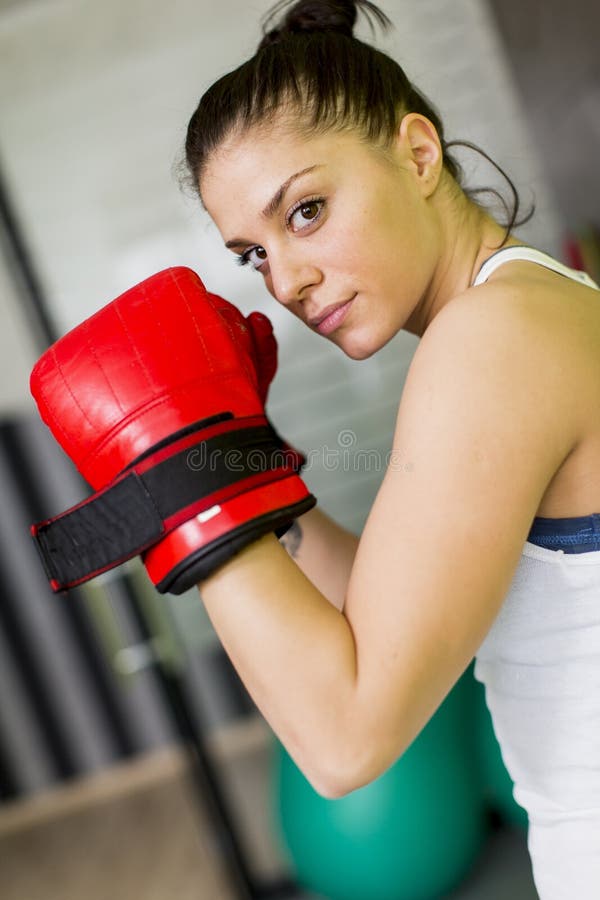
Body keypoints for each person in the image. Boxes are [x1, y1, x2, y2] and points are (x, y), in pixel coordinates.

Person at [29, 1, 599, 897]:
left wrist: (183, 479)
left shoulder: (494, 339)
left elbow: (346, 741)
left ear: (417, 154)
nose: (287, 279)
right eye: (252, 254)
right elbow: (385, 614)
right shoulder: (527, 307)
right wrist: (242, 463)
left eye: (306, 210)